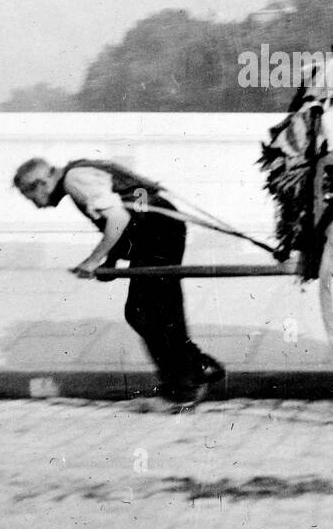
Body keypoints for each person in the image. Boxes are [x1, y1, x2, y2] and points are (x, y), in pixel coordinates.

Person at [13, 156, 225, 409]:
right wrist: (111, 262)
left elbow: (118, 220)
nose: (37, 206)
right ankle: (190, 375)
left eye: (31, 198)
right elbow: (125, 213)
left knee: (145, 312)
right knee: (156, 310)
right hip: (158, 230)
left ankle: (189, 379)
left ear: (41, 184)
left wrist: (93, 261)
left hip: (157, 233)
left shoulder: (74, 180)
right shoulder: (77, 174)